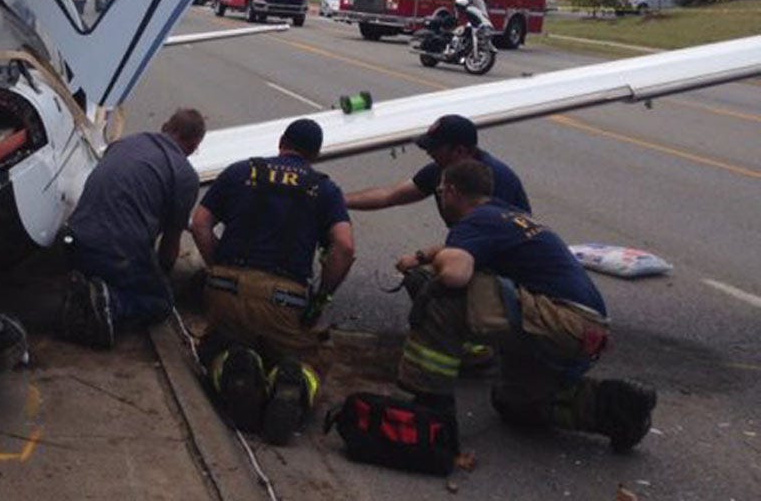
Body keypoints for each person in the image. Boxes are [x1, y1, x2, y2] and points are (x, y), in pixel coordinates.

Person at [392, 159, 657, 452]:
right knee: (515, 404)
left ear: (452, 191)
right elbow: (460, 252)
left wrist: (426, 266)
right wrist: (422, 254)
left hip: (562, 320)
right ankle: (619, 409)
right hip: (583, 328)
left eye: (440, 192)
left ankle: (431, 406)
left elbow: (455, 274)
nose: (439, 198)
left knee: (436, 287)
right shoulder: (505, 217)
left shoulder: (474, 222)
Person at [189, 118, 355, 445]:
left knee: (215, 346)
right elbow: (345, 248)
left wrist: (217, 267)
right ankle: (293, 383)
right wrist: (322, 297)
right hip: (284, 299)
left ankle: (233, 366)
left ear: (281, 141)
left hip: (226, 289)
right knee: (311, 358)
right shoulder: (324, 188)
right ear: (316, 154)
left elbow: (199, 224)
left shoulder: (240, 172)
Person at [58, 108, 206, 350]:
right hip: (117, 254)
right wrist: (161, 278)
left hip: (74, 240)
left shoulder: (123, 144)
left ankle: (89, 287)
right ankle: (111, 305)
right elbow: (170, 245)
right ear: (192, 145)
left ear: (164, 127)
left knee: (117, 264)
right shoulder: (184, 175)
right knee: (160, 303)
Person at [346, 114, 530, 222]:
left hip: (509, 261)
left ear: (459, 150)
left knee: (438, 274)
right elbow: (390, 196)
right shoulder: (441, 170)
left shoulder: (494, 179)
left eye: (435, 148)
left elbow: (494, 239)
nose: (429, 152)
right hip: (479, 246)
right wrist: (337, 200)